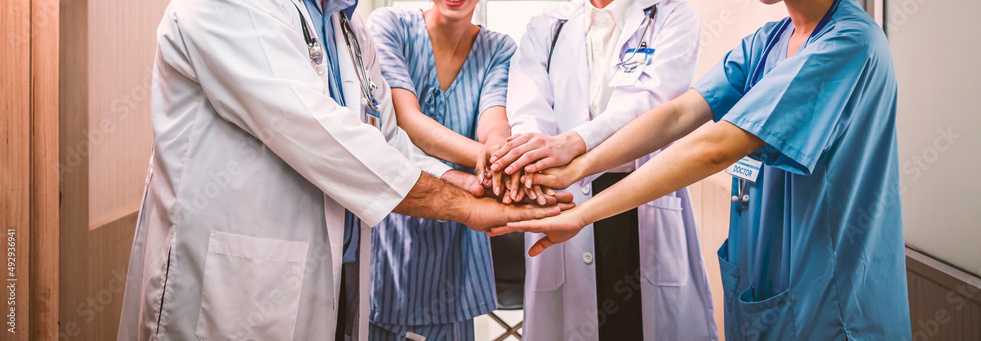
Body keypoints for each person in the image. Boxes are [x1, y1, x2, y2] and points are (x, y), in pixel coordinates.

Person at [115, 0, 572, 339]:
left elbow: (388, 139)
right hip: (230, 289)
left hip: (332, 282)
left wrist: (468, 183)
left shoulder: (348, 28)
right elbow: (323, 137)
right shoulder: (230, 6)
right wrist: (464, 207)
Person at [491, 0, 911, 339]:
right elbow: (677, 115)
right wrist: (573, 163)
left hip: (829, 295)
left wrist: (582, 213)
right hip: (766, 282)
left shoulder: (849, 42)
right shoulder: (767, 42)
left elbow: (716, 148)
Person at [490, 0, 717, 339]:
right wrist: (532, 156)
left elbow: (654, 105)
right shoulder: (545, 27)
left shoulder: (671, 14)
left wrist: (573, 142)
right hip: (562, 198)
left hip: (640, 196)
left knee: (634, 324)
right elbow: (527, 114)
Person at [362, 1, 518, 339]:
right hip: (393, 232)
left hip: (458, 245)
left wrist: (499, 150)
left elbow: (494, 123)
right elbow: (407, 122)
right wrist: (488, 158)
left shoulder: (499, 49)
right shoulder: (390, 26)